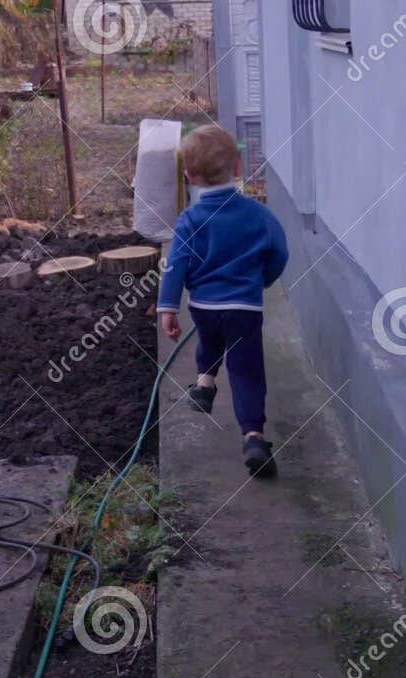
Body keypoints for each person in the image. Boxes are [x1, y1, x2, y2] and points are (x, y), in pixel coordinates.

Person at [157, 125, 290, 478]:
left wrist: (167, 307)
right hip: (244, 308)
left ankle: (204, 384)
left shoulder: (189, 220)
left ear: (189, 176)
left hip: (204, 305)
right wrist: (262, 280)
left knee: (210, 341)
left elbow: (175, 266)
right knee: (246, 370)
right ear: (237, 168)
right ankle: (254, 437)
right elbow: (280, 252)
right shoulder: (258, 216)